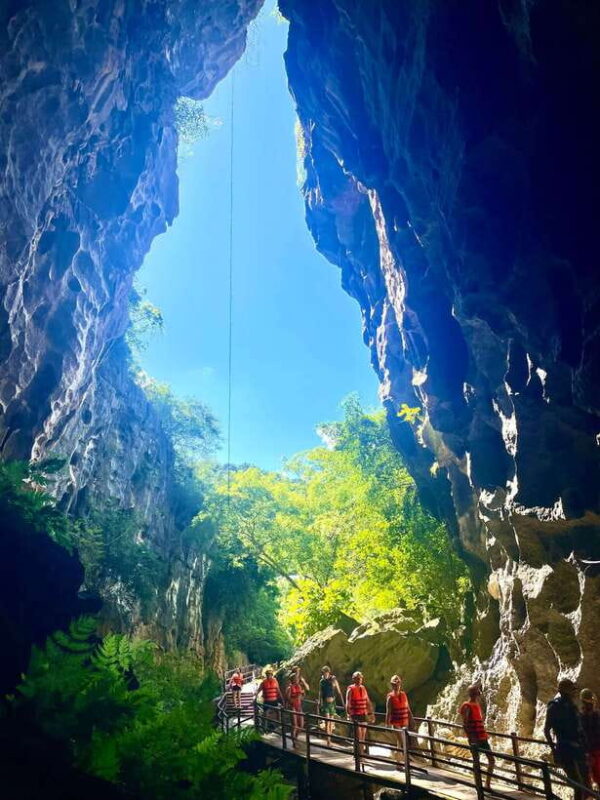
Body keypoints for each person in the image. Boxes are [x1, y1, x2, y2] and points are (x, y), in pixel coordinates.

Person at [545, 679, 590, 800]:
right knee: (579, 785)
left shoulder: (570, 706)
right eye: (571, 690)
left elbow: (547, 730)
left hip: (571, 748)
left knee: (582, 785)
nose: (574, 693)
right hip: (568, 748)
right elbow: (547, 730)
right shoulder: (556, 706)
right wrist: (553, 749)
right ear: (566, 691)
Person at [460, 683, 495, 790]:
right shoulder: (467, 706)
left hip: (482, 736)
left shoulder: (476, 705)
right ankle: (479, 784)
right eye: (477, 690)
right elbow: (465, 723)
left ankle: (487, 784)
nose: (479, 692)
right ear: (473, 693)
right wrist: (471, 738)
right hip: (475, 738)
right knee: (477, 760)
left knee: (491, 760)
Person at [386, 675, 414, 767]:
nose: (397, 685)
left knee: (401, 743)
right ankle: (404, 762)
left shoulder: (403, 694)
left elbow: (408, 708)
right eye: (395, 684)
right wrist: (387, 724)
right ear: (392, 685)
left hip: (404, 720)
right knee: (402, 742)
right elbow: (388, 712)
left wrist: (412, 719)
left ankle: (398, 763)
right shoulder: (390, 697)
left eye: (398, 683)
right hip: (396, 721)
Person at [346, 671, 373, 755]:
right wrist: (348, 713)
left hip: (363, 714)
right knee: (359, 736)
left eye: (360, 678)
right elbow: (348, 702)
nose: (359, 680)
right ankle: (358, 755)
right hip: (355, 714)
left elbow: (368, 701)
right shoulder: (350, 689)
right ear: (354, 679)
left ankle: (360, 754)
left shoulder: (363, 688)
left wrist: (371, 713)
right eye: (357, 678)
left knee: (363, 736)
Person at [318, 665, 344, 746]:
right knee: (327, 721)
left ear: (328, 672)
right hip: (325, 703)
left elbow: (339, 691)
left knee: (331, 722)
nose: (325, 674)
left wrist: (343, 704)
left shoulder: (333, 679)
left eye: (326, 672)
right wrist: (320, 702)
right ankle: (328, 741)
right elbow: (320, 693)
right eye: (323, 673)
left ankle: (329, 738)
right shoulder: (322, 681)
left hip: (332, 703)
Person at [256, 668, 284, 732]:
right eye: (267, 674)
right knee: (265, 714)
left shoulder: (275, 681)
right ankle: (264, 728)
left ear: (272, 675)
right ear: (266, 675)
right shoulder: (263, 682)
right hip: (267, 701)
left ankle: (279, 726)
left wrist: (282, 700)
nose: (268, 675)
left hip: (274, 700)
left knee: (278, 712)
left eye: (270, 674)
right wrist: (256, 697)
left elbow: (279, 691)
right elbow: (258, 690)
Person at [286, 671, 306, 745]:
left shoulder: (299, 686)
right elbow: (288, 698)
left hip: (299, 706)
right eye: (296, 678)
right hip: (293, 707)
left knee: (301, 725)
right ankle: (294, 742)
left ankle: (295, 738)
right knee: (295, 726)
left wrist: (303, 694)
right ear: (292, 679)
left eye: (297, 678)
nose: (297, 679)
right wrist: (296, 697)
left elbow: (302, 698)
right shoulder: (289, 688)